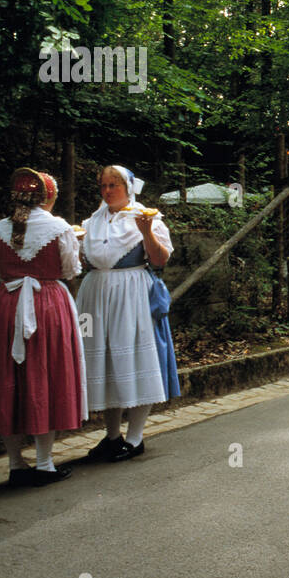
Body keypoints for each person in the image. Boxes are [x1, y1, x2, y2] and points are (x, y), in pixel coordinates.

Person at [0, 169, 85, 486]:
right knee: (47, 377)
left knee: (7, 380)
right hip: (46, 304)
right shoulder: (59, 228)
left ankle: (16, 464)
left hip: (6, 306)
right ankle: (45, 462)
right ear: (49, 197)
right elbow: (70, 269)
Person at [79, 165, 178, 462]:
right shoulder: (92, 222)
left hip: (132, 291)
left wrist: (146, 232)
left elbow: (160, 260)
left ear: (129, 187)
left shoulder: (146, 217)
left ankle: (135, 437)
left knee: (134, 356)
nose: (108, 191)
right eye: (104, 185)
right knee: (106, 360)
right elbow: (85, 260)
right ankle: (111, 436)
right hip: (96, 292)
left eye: (114, 185)